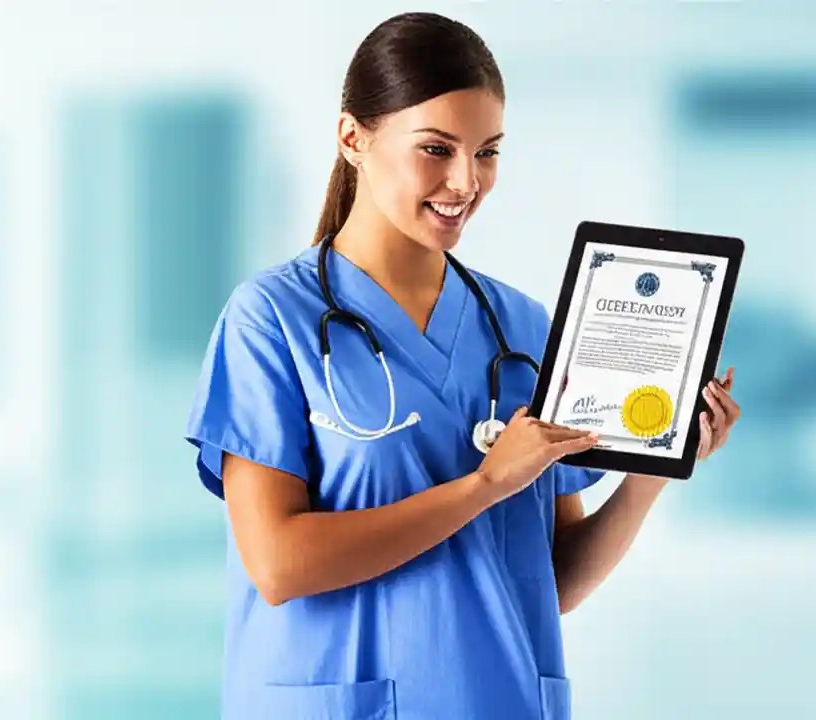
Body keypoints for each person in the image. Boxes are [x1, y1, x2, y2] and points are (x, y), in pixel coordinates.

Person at [182, 12, 740, 720]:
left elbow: (552, 579)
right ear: (353, 138)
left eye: (487, 152)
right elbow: (279, 563)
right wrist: (483, 485)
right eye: (436, 149)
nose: (465, 181)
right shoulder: (271, 319)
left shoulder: (522, 330)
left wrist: (652, 472)